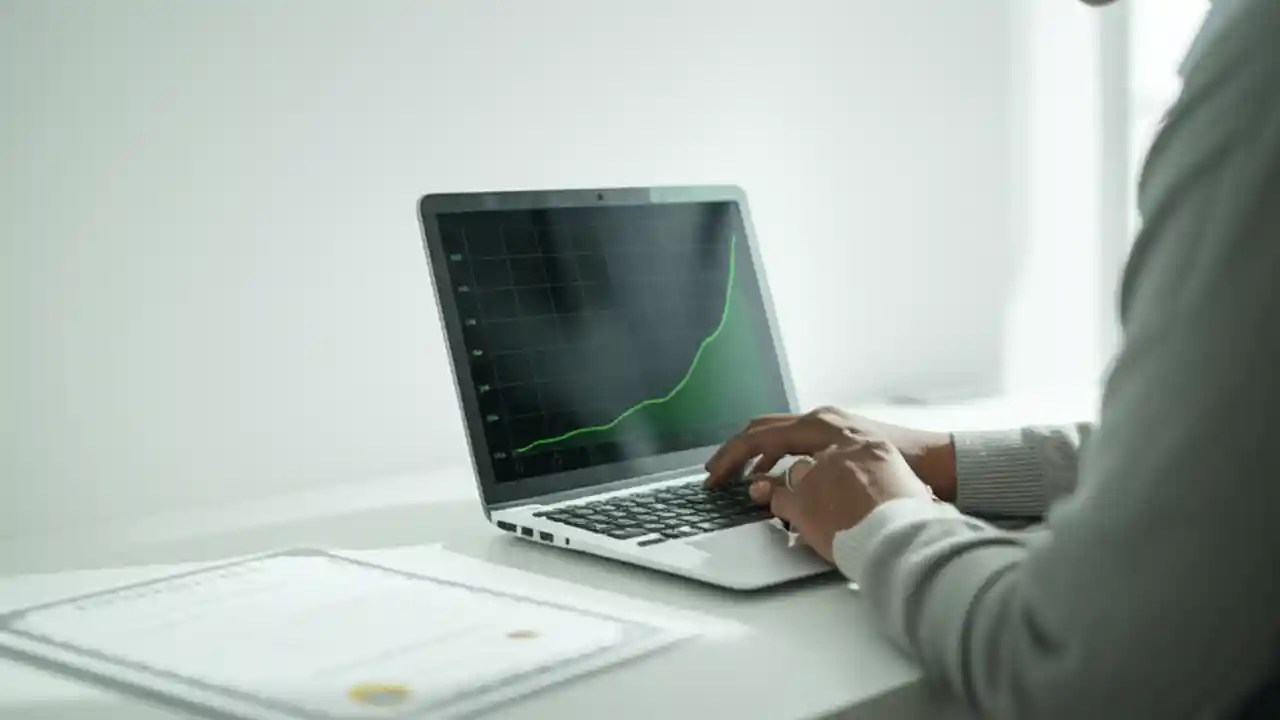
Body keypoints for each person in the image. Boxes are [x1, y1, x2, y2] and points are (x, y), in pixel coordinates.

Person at [704, 0, 1280, 717]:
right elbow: (1242, 459)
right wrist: (952, 458)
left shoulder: (1260, 65)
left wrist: (883, 522)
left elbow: (1079, 667)